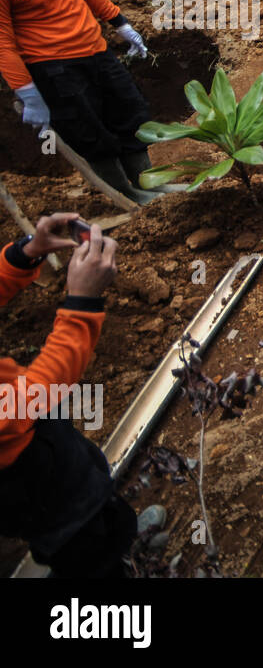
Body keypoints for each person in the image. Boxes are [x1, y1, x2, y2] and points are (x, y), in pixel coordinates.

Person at [0, 213, 157, 576]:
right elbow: (33, 397)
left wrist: (26, 254)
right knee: (75, 535)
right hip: (23, 476)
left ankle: (112, 538)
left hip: (30, 437)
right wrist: (81, 305)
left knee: (84, 487)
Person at [0, 0, 159, 204]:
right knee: (90, 132)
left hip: (95, 48)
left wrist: (119, 22)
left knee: (129, 115)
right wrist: (28, 94)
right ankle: (125, 195)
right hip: (53, 66)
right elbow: (2, 42)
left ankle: (150, 186)